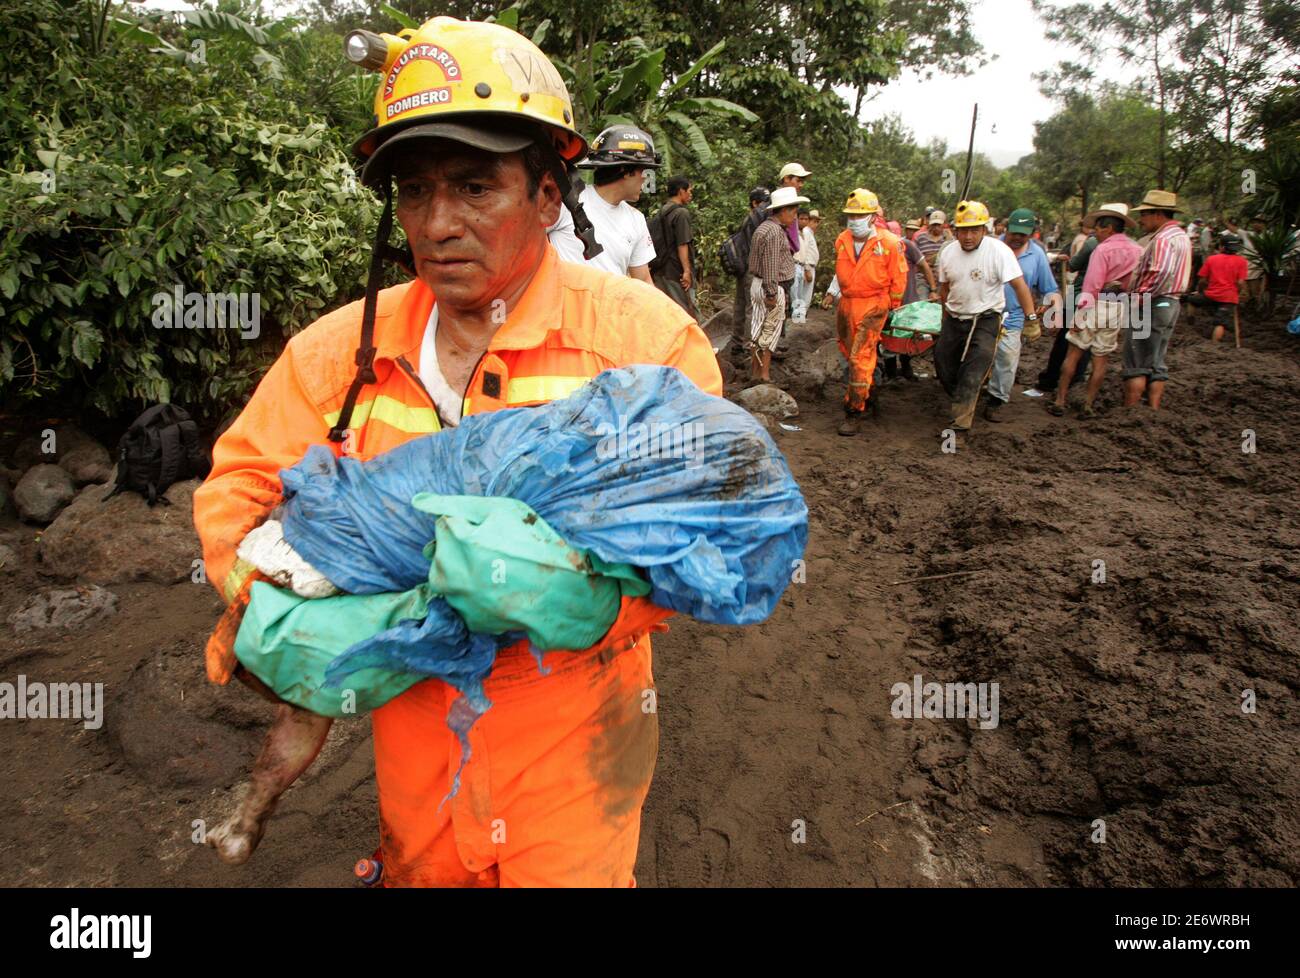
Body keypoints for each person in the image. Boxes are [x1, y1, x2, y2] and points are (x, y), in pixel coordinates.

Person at [192, 14, 722, 889]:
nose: (437, 224)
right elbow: (240, 486)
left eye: (476, 188)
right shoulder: (340, 352)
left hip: (576, 738)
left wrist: (593, 602)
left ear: (549, 195)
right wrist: (276, 606)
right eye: (414, 191)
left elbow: (704, 525)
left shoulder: (643, 344)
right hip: (414, 735)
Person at [932, 200, 1036, 433]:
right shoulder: (948, 253)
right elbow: (945, 289)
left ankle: (959, 426)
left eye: (974, 230)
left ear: (984, 230)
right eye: (963, 231)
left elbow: (1019, 286)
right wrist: (943, 317)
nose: (968, 236)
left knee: (974, 367)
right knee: (942, 363)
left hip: (986, 319)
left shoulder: (999, 252)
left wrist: (1031, 319)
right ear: (955, 230)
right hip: (954, 316)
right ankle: (963, 396)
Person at [819, 189, 907, 435]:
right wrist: (832, 292)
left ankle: (854, 410)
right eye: (851, 215)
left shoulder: (889, 243)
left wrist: (894, 308)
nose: (854, 220)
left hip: (874, 304)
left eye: (859, 216)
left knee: (860, 358)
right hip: (848, 304)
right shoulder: (842, 240)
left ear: (872, 216)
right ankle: (869, 393)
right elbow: (841, 272)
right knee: (851, 353)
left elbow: (899, 277)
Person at [1049, 203, 1142, 418]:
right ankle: (1088, 404)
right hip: (1118, 306)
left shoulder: (1103, 249)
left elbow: (1092, 284)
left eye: (1098, 229)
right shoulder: (1137, 249)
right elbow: (1135, 282)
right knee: (1101, 359)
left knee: (1073, 354)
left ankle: (1060, 400)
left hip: (1095, 304)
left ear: (1108, 228)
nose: (1095, 232)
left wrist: (1079, 314)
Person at [984, 208, 1060, 422]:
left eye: (1022, 235)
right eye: (1013, 233)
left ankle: (996, 399)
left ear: (1031, 234)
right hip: (984, 311)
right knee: (979, 354)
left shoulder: (1036, 255)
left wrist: (1048, 305)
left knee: (1006, 358)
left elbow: (1050, 288)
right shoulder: (990, 247)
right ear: (1006, 229)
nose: (1017, 238)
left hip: (1014, 315)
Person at [1122, 189, 1192, 410]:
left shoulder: (1162, 239)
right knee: (1157, 359)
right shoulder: (1182, 237)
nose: (1141, 220)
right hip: (1170, 303)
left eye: (1144, 215)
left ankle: (1130, 412)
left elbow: (1159, 272)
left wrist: (1139, 298)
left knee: (1137, 360)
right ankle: (1153, 409)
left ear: (1158, 214)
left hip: (1152, 304)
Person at [571, 124, 662, 281]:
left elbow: (644, 281)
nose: (647, 178)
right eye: (644, 171)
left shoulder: (636, 219)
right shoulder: (567, 203)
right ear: (626, 171)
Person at [747, 185, 806, 382]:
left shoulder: (763, 228)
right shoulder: (775, 232)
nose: (795, 217)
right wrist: (772, 293)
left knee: (757, 329)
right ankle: (764, 376)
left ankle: (755, 373)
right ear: (783, 211)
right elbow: (771, 265)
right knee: (769, 332)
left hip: (757, 283)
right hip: (770, 286)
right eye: (793, 212)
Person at [1030, 224, 1096, 396]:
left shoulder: (1092, 243)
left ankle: (1051, 381)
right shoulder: (1131, 247)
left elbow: (1074, 265)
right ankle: (1076, 382)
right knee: (1088, 345)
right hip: (1107, 303)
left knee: (1064, 341)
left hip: (1080, 297)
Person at [881, 218, 936, 382]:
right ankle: (891, 374)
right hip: (888, 302)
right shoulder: (879, 248)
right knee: (888, 336)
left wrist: (932, 288)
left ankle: (906, 369)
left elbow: (924, 266)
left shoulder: (908, 247)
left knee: (907, 336)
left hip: (908, 301)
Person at [1186, 232, 1248, 343]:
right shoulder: (1242, 262)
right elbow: (1240, 283)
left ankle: (1190, 323)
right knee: (1220, 323)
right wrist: (1237, 293)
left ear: (1222, 247)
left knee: (1191, 300)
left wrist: (1201, 290)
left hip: (1211, 295)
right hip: (1229, 298)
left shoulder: (1211, 259)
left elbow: (1202, 280)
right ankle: (1215, 345)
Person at [731, 187, 771, 357]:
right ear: (755, 202)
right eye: (763, 202)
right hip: (750, 267)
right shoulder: (757, 218)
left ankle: (737, 342)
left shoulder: (749, 218)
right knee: (752, 307)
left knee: (740, 304)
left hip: (742, 266)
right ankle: (749, 344)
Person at [651, 175, 698, 316]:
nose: (690, 194)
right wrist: (686, 271)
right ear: (680, 191)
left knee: (667, 312)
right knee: (686, 313)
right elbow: (682, 244)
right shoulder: (681, 213)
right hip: (676, 272)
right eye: (689, 190)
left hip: (660, 271)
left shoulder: (662, 211)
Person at [790, 208, 821, 324]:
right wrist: (807, 269)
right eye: (801, 219)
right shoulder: (801, 232)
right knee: (796, 294)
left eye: (806, 219)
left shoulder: (805, 233)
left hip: (802, 266)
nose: (804, 221)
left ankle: (799, 318)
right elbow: (806, 252)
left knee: (800, 295)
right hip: (798, 265)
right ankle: (797, 318)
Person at [914, 211, 951, 301]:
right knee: (922, 303)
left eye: (939, 225)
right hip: (923, 279)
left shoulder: (948, 240)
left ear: (944, 224)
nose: (936, 228)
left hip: (940, 280)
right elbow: (917, 260)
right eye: (934, 225)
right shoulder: (921, 238)